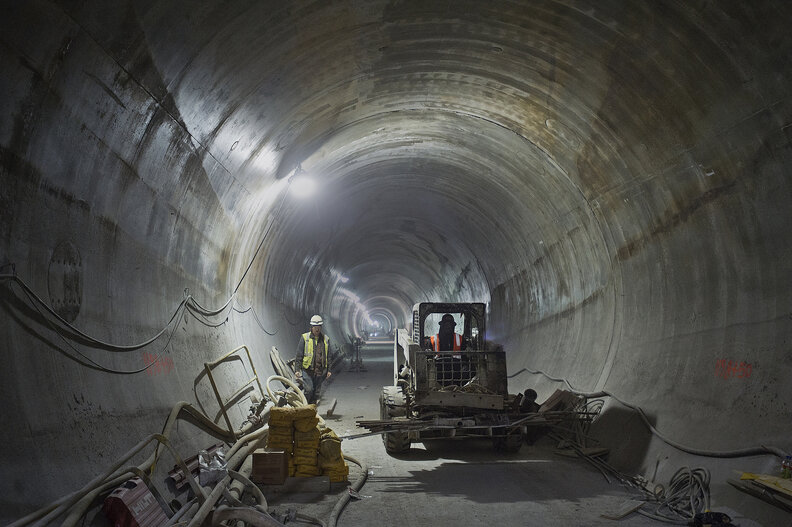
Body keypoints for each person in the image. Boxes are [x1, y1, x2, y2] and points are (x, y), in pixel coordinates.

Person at [295, 315, 332, 404]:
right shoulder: (305, 338)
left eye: (318, 327)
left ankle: (312, 408)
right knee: (309, 389)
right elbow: (299, 355)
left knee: (316, 392)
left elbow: (329, 356)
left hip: (320, 370)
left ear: (321, 327)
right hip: (308, 370)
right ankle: (305, 407)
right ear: (311, 327)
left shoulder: (326, 339)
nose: (317, 329)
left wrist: (329, 370)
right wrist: (297, 369)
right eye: (315, 327)